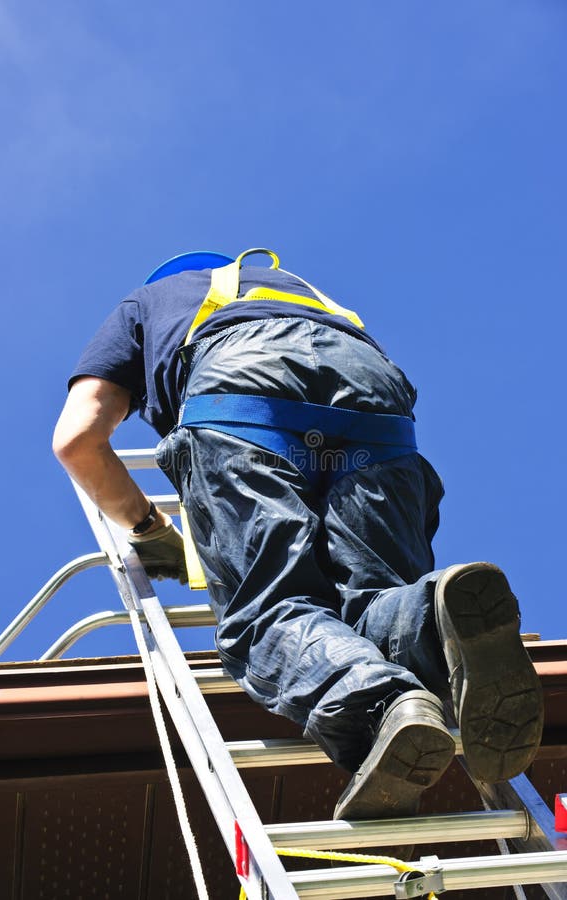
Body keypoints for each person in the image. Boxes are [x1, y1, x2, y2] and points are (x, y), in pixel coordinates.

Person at [53, 248, 544, 821]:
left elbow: (78, 438)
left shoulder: (150, 302)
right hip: (373, 402)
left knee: (267, 616)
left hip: (242, 395)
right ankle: (434, 621)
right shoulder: (311, 296)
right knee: (371, 604)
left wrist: (149, 527)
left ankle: (381, 705)